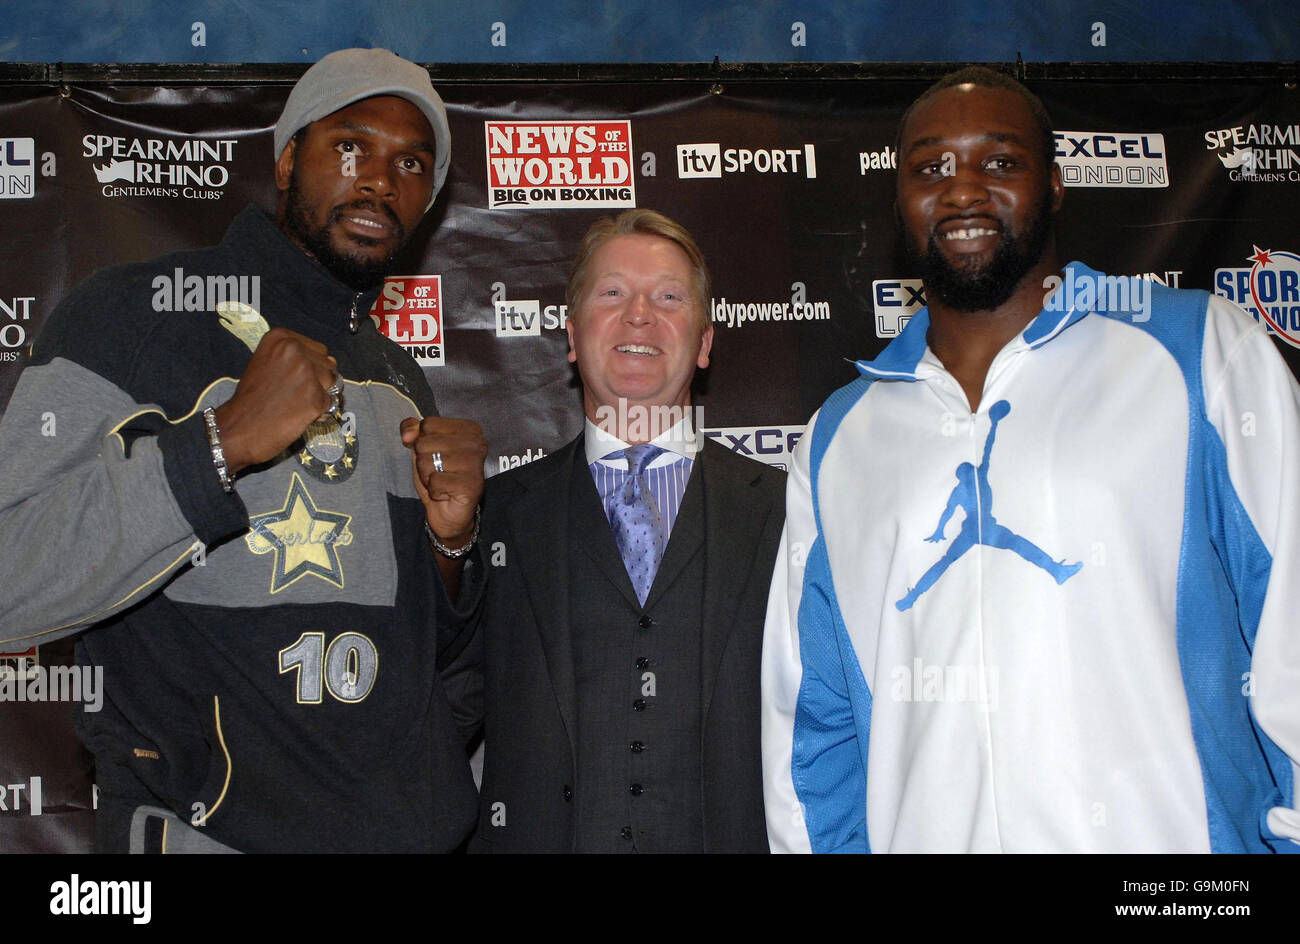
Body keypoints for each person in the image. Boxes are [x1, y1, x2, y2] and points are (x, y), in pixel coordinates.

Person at [762, 67, 1300, 853]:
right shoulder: (840, 436)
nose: (963, 189)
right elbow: (814, 730)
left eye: (1000, 161)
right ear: (899, 198)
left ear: (1053, 185)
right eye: (931, 167)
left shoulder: (1200, 355)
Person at [0, 48, 487, 853]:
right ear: (289, 155)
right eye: (351, 146)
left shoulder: (399, 379)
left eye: (411, 164)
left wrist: (450, 546)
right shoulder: (129, 320)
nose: (380, 181)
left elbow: (424, 656)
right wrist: (218, 447)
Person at [470, 209, 784, 852]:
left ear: (703, 342)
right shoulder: (489, 515)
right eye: (612, 293)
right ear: (571, 334)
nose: (639, 314)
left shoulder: (786, 511)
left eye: (669, 297)